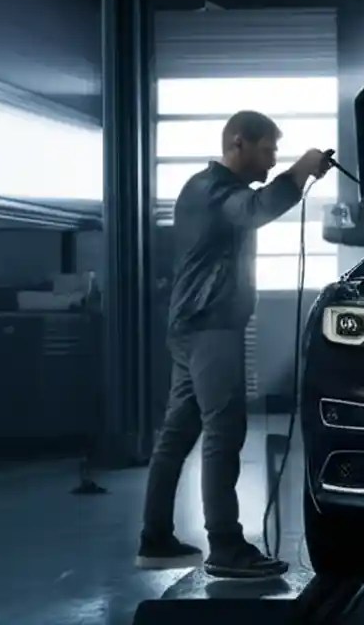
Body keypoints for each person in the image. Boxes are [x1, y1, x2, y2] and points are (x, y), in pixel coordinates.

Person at [135, 110, 332, 578]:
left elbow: (253, 207)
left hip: (193, 327)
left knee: (176, 438)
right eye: (267, 150)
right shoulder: (214, 192)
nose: (272, 160)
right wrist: (299, 172)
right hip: (209, 329)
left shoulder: (206, 188)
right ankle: (225, 546)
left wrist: (293, 174)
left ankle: (155, 538)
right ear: (239, 143)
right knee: (224, 433)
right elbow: (255, 210)